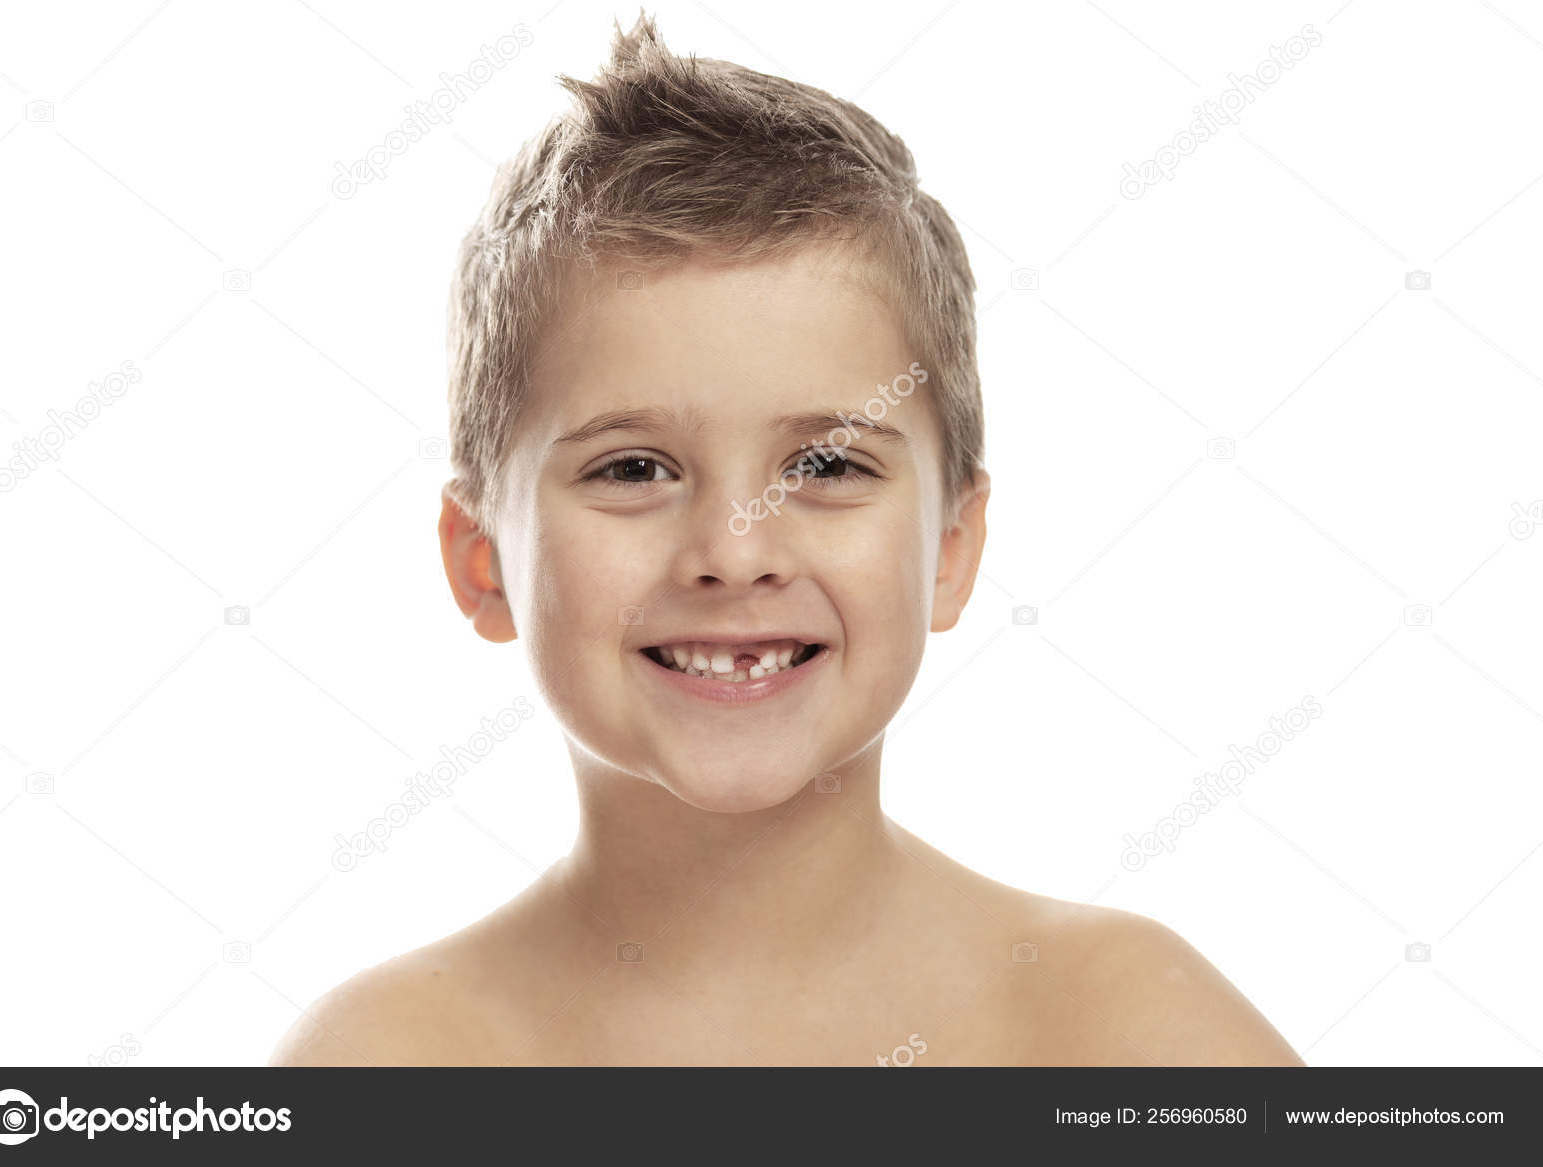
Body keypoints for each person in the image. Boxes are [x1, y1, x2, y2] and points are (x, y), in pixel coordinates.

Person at [270, 13, 1302, 1067]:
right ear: (480, 559)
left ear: (950, 548)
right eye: (633, 469)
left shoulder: (1127, 1031)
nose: (734, 547)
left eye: (827, 467)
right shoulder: (392, 1062)